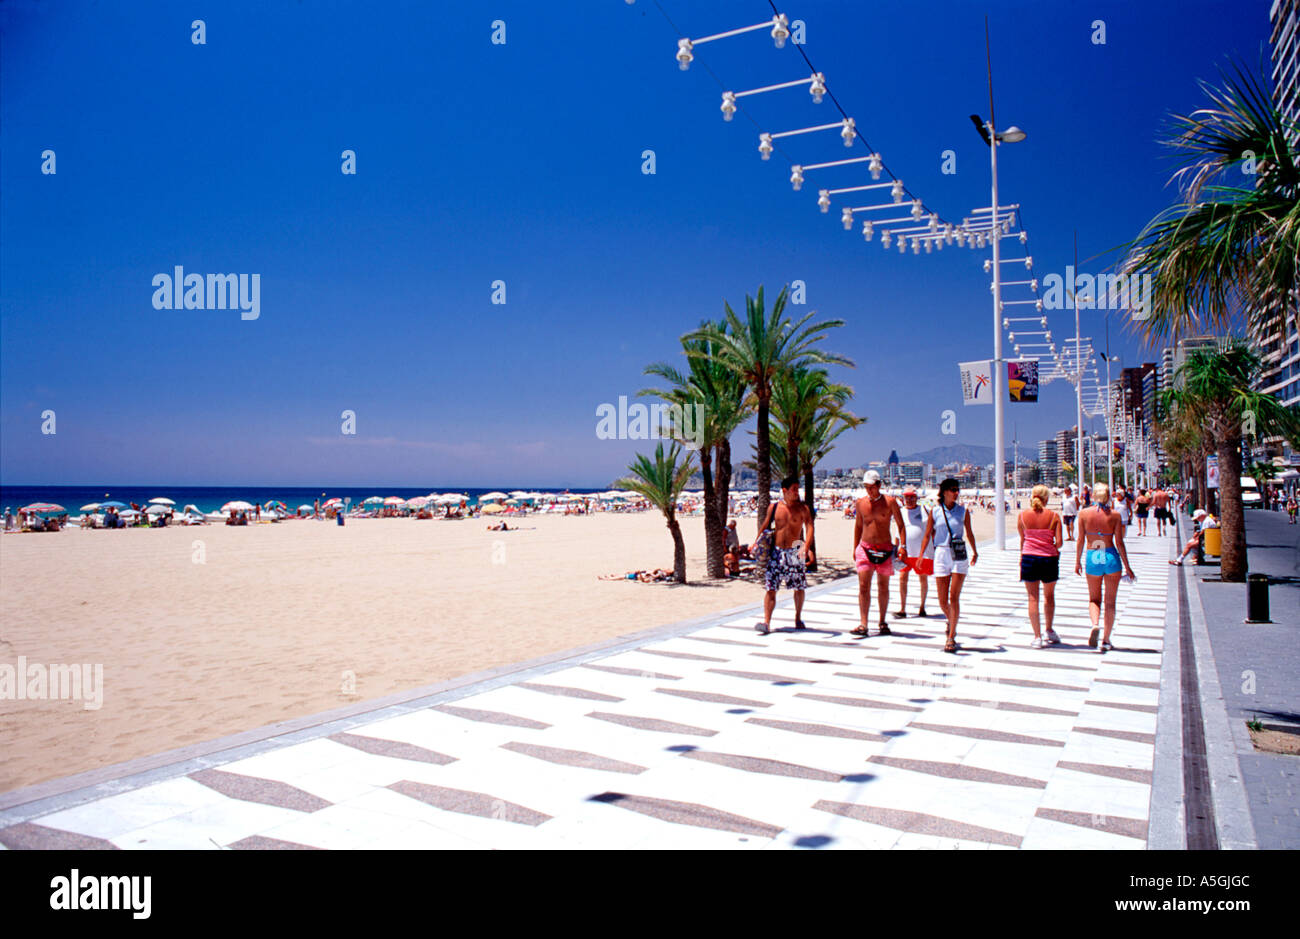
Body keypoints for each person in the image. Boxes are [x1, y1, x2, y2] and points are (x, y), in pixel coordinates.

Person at [918, 477, 978, 653]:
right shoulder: (935, 511)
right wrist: (921, 555)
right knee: (942, 600)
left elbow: (970, 532)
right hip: (941, 553)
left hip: (958, 554)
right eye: (953, 489)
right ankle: (951, 620)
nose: (956, 493)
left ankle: (951, 636)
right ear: (944, 492)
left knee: (954, 597)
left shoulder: (963, 511)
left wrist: (975, 551)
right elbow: (927, 534)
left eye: (957, 489)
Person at [1075, 483, 1136, 653]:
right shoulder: (1115, 515)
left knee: (1094, 599)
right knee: (1110, 602)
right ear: (1109, 496)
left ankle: (1095, 624)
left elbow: (1080, 540)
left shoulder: (1083, 514)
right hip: (1109, 555)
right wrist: (1128, 567)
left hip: (1094, 554)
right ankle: (1106, 640)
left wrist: (1077, 561)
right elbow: (1120, 543)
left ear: (1093, 496)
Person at [851, 470, 908, 636]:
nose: (869, 490)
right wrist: (855, 547)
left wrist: (902, 545)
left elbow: (901, 525)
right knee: (863, 586)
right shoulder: (861, 503)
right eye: (866, 487)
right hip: (865, 547)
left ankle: (882, 621)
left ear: (879, 485)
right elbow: (859, 526)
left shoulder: (890, 502)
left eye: (871, 487)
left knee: (883, 586)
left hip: (884, 548)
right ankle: (863, 624)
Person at [756, 476, 814, 635]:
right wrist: (756, 543)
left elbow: (809, 527)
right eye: (794, 489)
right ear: (785, 490)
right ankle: (766, 622)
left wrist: (806, 547)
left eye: (797, 488)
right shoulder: (774, 507)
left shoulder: (803, 508)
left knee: (799, 587)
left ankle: (798, 617)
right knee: (771, 588)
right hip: (776, 552)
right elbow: (765, 525)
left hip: (795, 551)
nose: (797, 492)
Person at [1018, 484, 1063, 649]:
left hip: (1029, 557)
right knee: (1049, 596)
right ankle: (1049, 630)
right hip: (1049, 559)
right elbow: (1059, 543)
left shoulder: (1023, 516)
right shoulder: (1054, 516)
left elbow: (1022, 541)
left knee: (1032, 598)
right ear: (1046, 498)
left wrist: (1021, 558)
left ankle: (1037, 637)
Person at [895, 487, 932, 618]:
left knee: (923, 579)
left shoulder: (924, 510)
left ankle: (922, 607)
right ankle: (902, 608)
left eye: (911, 497)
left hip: (922, 553)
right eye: (906, 497)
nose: (909, 499)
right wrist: (895, 550)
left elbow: (931, 530)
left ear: (916, 498)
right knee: (902, 579)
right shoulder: (900, 512)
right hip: (904, 552)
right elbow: (897, 531)